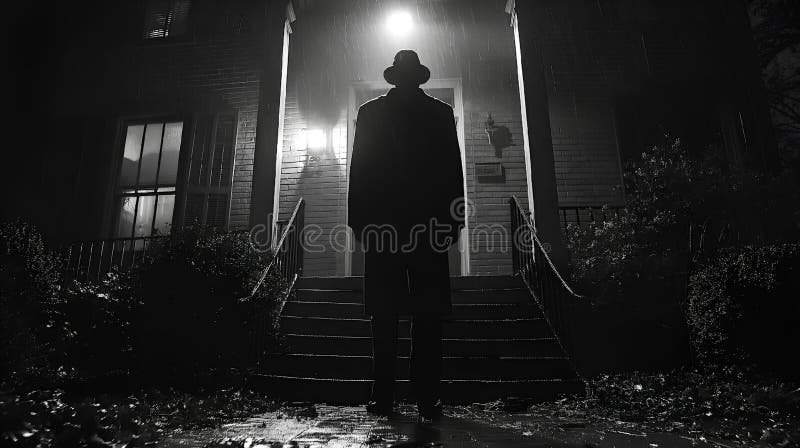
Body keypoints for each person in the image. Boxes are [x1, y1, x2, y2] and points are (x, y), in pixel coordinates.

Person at [348, 50, 464, 420]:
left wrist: (362, 221)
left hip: (396, 225)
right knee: (411, 315)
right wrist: (452, 220)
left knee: (398, 315)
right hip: (415, 225)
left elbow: (362, 169)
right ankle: (419, 395)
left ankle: (394, 395)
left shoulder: (374, 113)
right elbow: (450, 169)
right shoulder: (436, 113)